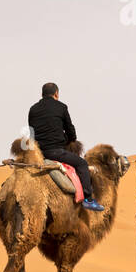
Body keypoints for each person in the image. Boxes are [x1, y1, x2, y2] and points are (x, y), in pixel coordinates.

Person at [27, 82, 104, 212]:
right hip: (55, 152)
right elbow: (71, 132)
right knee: (82, 164)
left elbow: (32, 133)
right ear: (56, 94)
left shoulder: (33, 109)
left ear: (42, 94)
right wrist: (69, 139)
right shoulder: (61, 107)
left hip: (38, 153)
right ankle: (88, 199)